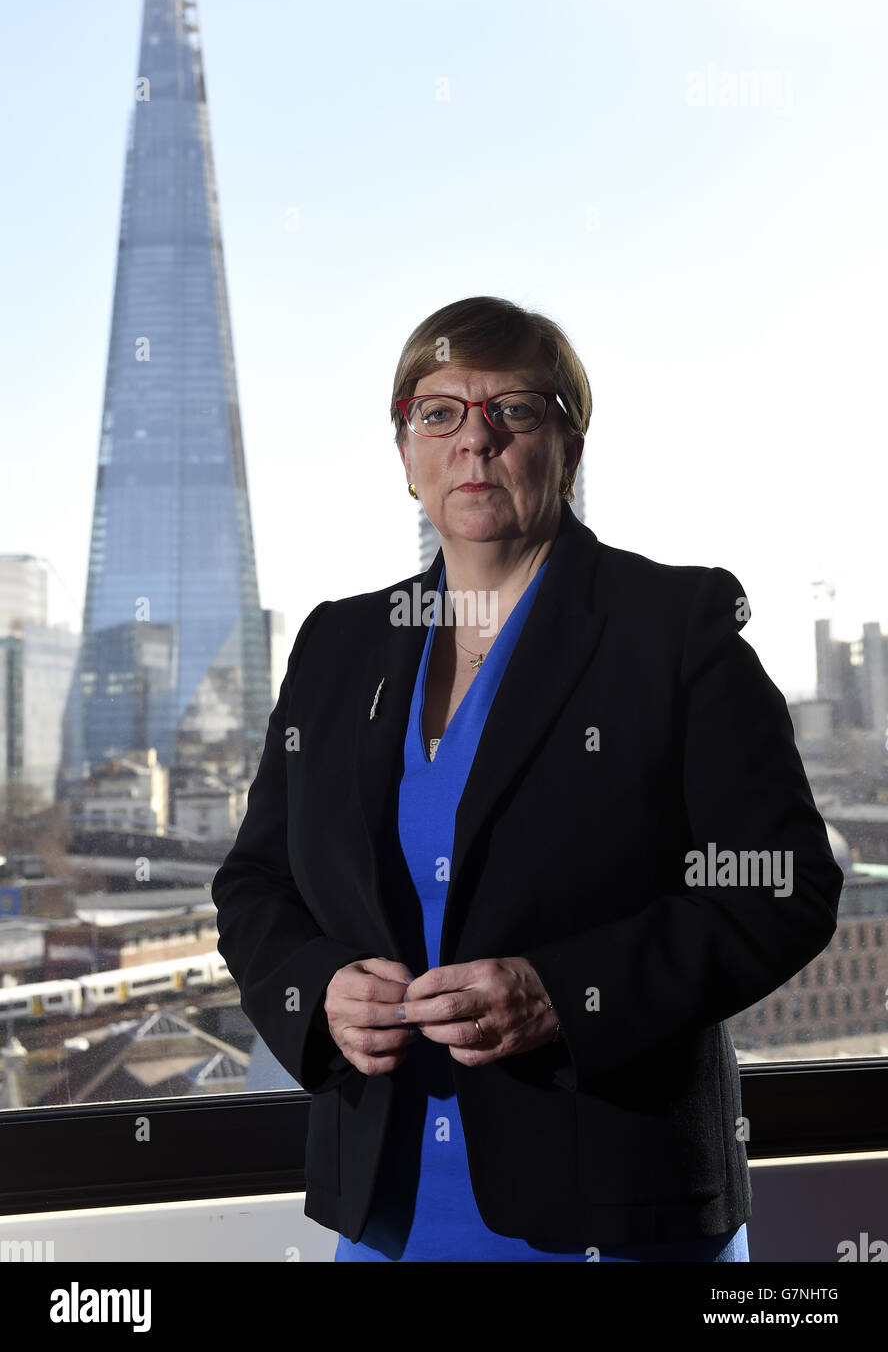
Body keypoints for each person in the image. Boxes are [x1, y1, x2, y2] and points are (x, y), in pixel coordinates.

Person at [211, 295, 843, 1262]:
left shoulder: (673, 629)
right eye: (440, 413)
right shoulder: (338, 644)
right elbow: (255, 887)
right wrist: (317, 989)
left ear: (569, 446)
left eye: (515, 410)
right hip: (387, 1211)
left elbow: (779, 883)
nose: (476, 441)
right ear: (405, 455)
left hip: (621, 1216)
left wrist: (566, 992)